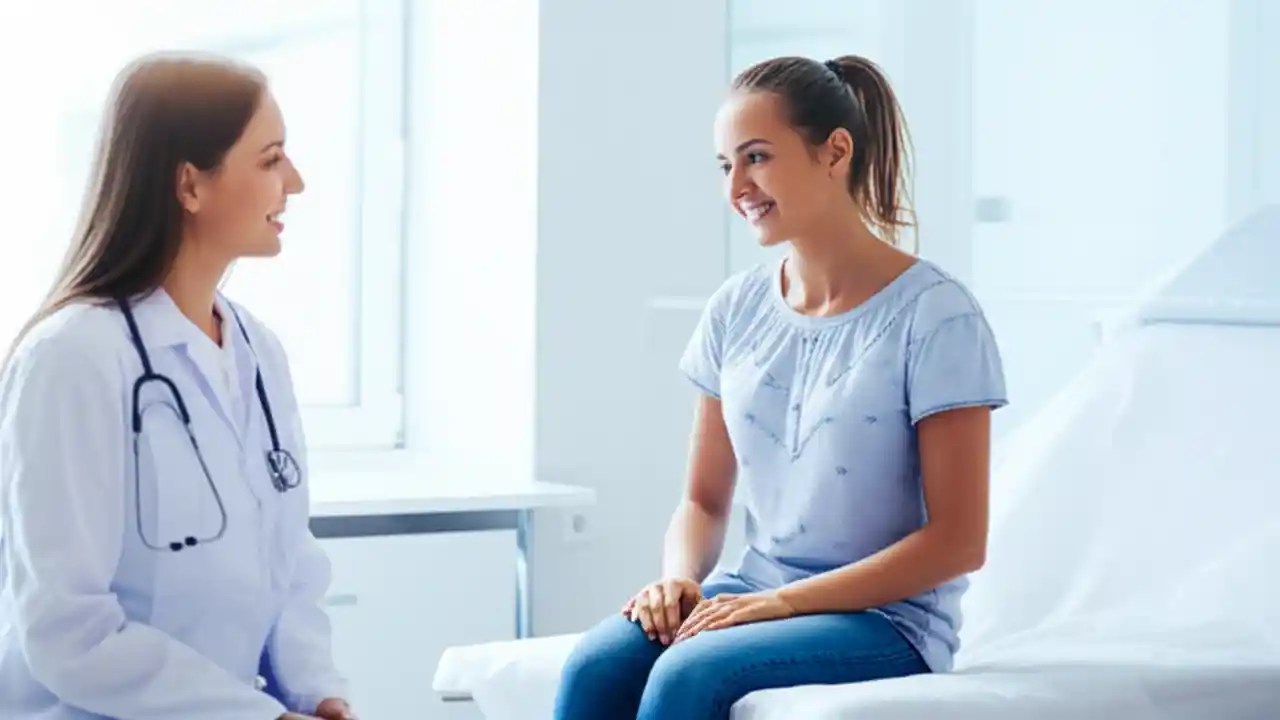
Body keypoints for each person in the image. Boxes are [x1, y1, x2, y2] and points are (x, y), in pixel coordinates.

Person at [555, 54, 1008, 719]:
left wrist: (782, 604)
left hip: (887, 619)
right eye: (725, 165)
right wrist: (679, 581)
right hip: (755, 587)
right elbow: (703, 499)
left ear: (836, 152)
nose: (737, 186)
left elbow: (959, 540)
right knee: (596, 666)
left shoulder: (938, 317)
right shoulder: (735, 308)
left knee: (688, 675)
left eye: (757, 157)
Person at [0, 53, 356, 720]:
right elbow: (66, 627)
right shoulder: (73, 358)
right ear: (189, 185)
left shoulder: (257, 350)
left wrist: (317, 693)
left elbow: (288, 563)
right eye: (271, 159)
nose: (296, 182)